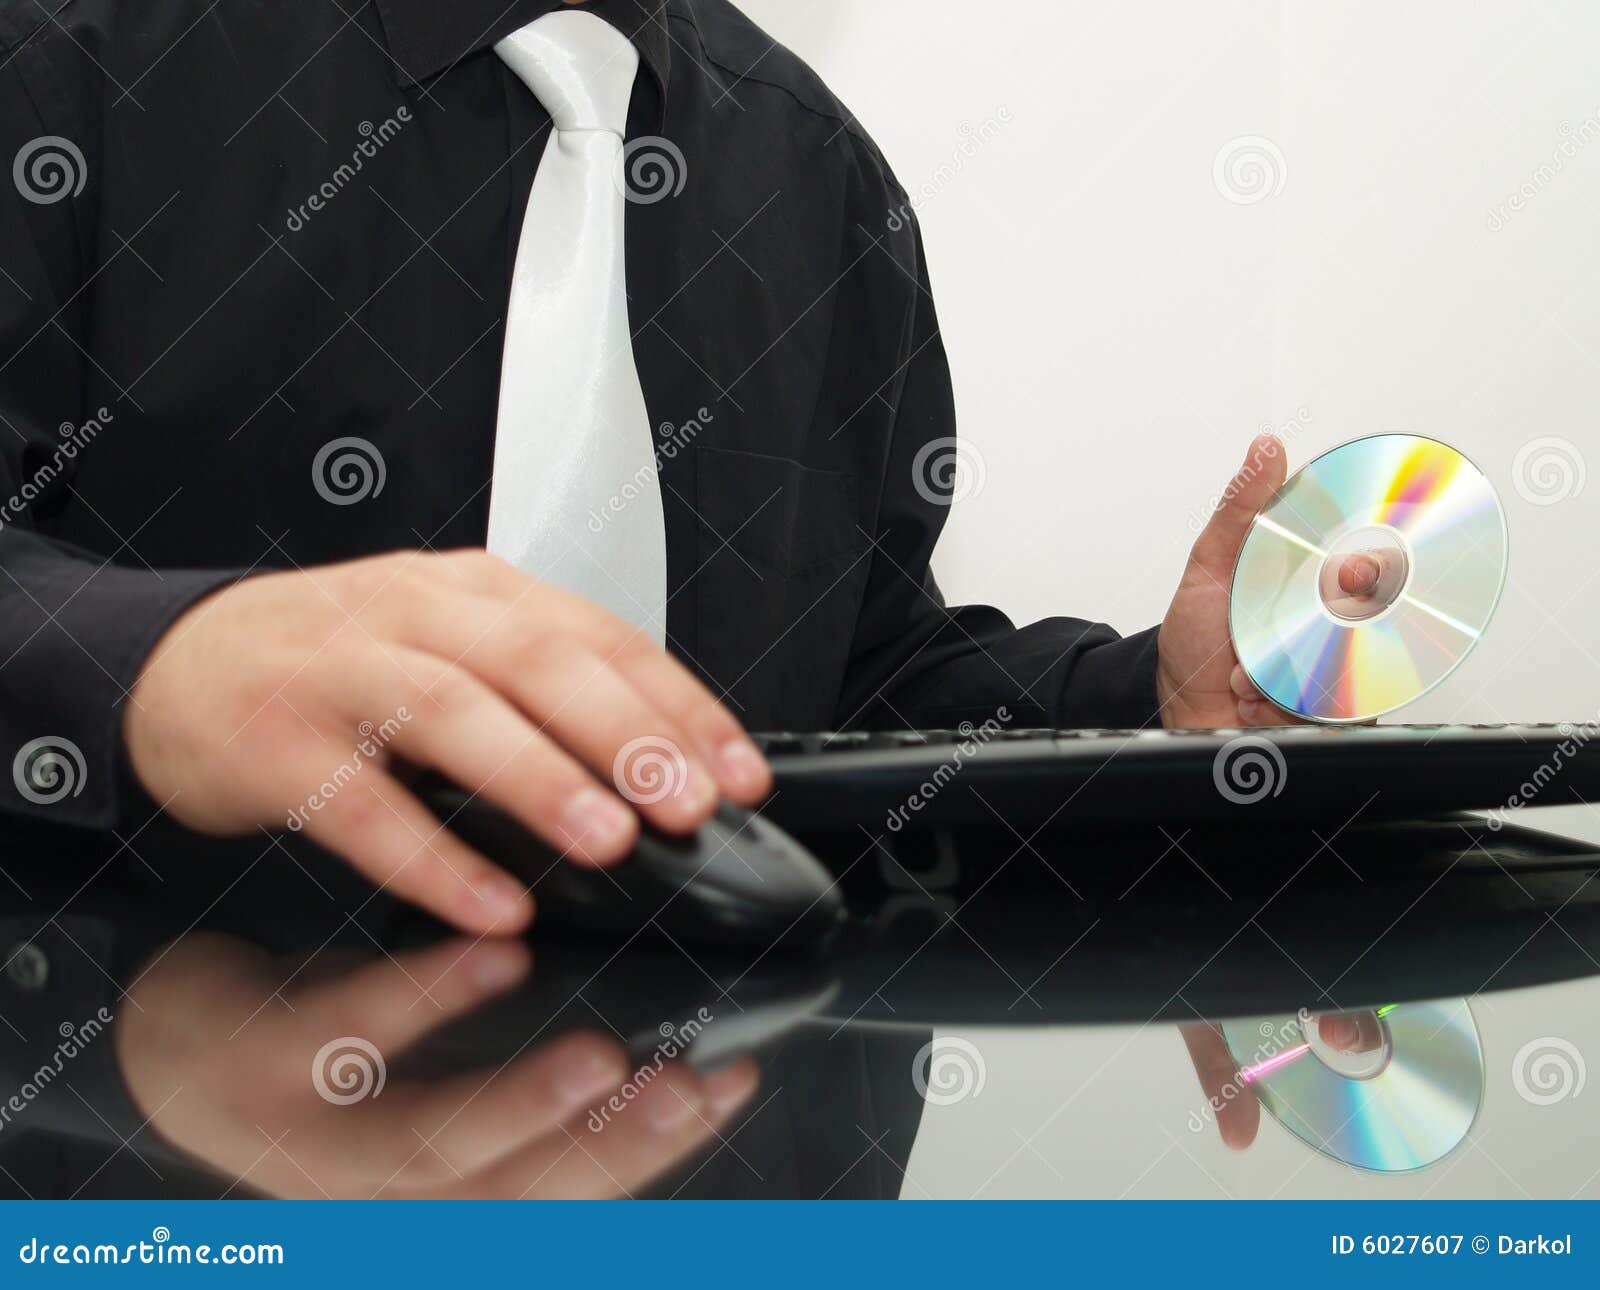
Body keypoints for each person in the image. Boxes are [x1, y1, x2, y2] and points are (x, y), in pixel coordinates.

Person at [0, 0, 1380, 934]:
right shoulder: (61, 59)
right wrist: (162, 661)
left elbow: (855, 682)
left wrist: (1144, 698)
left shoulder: (818, 164)